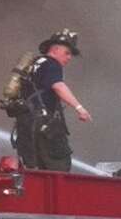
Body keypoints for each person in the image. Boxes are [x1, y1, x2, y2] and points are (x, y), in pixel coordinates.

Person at [11, 29, 91, 173]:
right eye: (67, 52)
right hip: (44, 126)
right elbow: (58, 86)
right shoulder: (51, 63)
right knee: (59, 168)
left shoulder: (34, 64)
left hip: (25, 126)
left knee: (33, 172)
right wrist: (79, 108)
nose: (69, 57)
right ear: (55, 49)